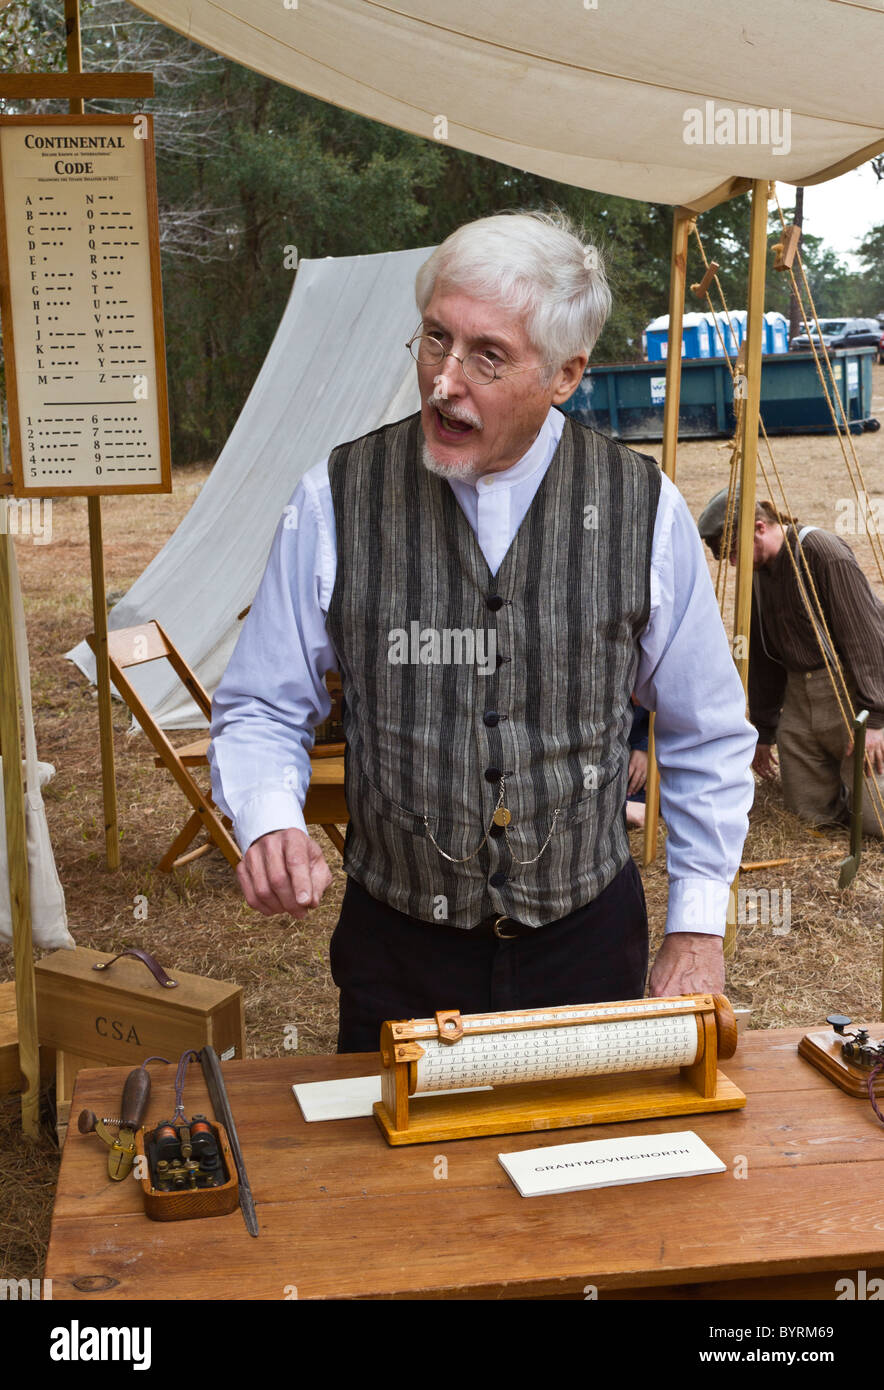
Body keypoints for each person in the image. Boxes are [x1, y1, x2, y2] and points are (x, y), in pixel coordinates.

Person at [209, 211, 756, 1053]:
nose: (442, 382)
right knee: (399, 1183)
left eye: (486, 355)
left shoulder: (643, 511)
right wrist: (269, 816)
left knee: (583, 1171)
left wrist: (697, 929)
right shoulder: (334, 497)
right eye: (435, 339)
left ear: (566, 374)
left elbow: (706, 732)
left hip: (585, 943)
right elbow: (259, 704)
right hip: (398, 949)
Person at [697, 488, 884, 835]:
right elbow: (765, 658)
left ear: (759, 527)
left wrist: (873, 720)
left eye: (734, 552)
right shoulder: (756, 576)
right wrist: (765, 731)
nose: (734, 564)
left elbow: (867, 638)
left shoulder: (821, 552)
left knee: (877, 820)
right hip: (800, 698)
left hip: (850, 688)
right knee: (809, 813)